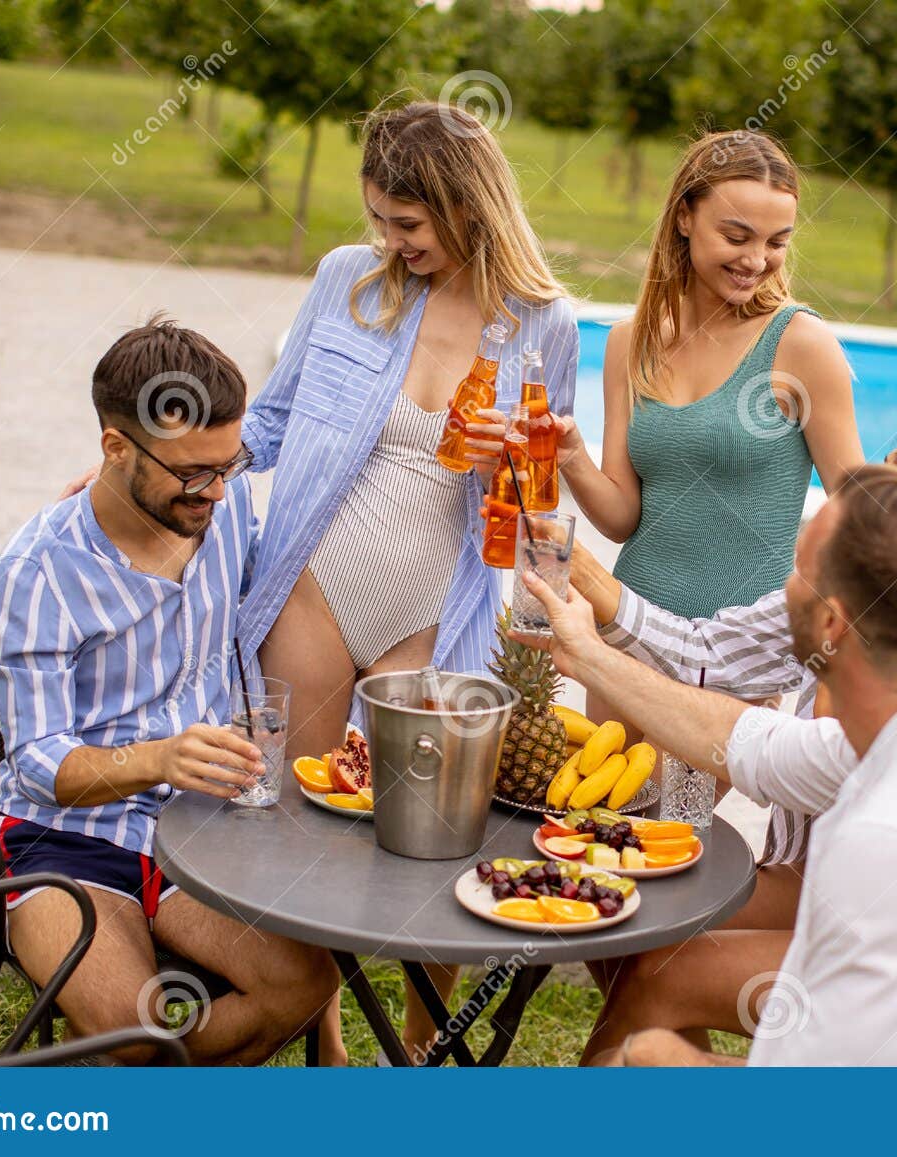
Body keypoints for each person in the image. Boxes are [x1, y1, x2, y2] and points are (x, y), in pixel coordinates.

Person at [517, 463, 897, 1066]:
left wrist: (661, 1059)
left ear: (833, 623)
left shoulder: (892, 835)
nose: (782, 591)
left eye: (798, 574)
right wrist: (583, 655)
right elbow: (745, 740)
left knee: (640, 1052)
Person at [233, 101, 577, 1061]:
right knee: (300, 818)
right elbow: (270, 422)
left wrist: (515, 474)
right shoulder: (349, 281)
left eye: (409, 225)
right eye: (380, 218)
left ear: (469, 206)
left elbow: (545, 507)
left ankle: (426, 1050)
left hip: (436, 606)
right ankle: (327, 1031)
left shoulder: (544, 322)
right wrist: (160, 473)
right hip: (312, 580)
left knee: (434, 842)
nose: (390, 241)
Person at [0, 317, 343, 1065]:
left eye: (227, 465)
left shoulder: (224, 507)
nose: (214, 491)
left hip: (197, 835)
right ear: (115, 448)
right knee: (134, 1036)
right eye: (190, 473)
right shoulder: (38, 572)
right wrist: (161, 758)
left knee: (303, 983)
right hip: (62, 843)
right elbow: (41, 763)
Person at [550, 129, 862, 729]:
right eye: (737, 236)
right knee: (601, 819)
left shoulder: (800, 345)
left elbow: (862, 514)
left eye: (776, 242)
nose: (756, 260)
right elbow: (623, 516)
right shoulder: (629, 343)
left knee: (677, 823)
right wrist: (572, 455)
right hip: (625, 625)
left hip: (732, 660)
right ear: (686, 217)